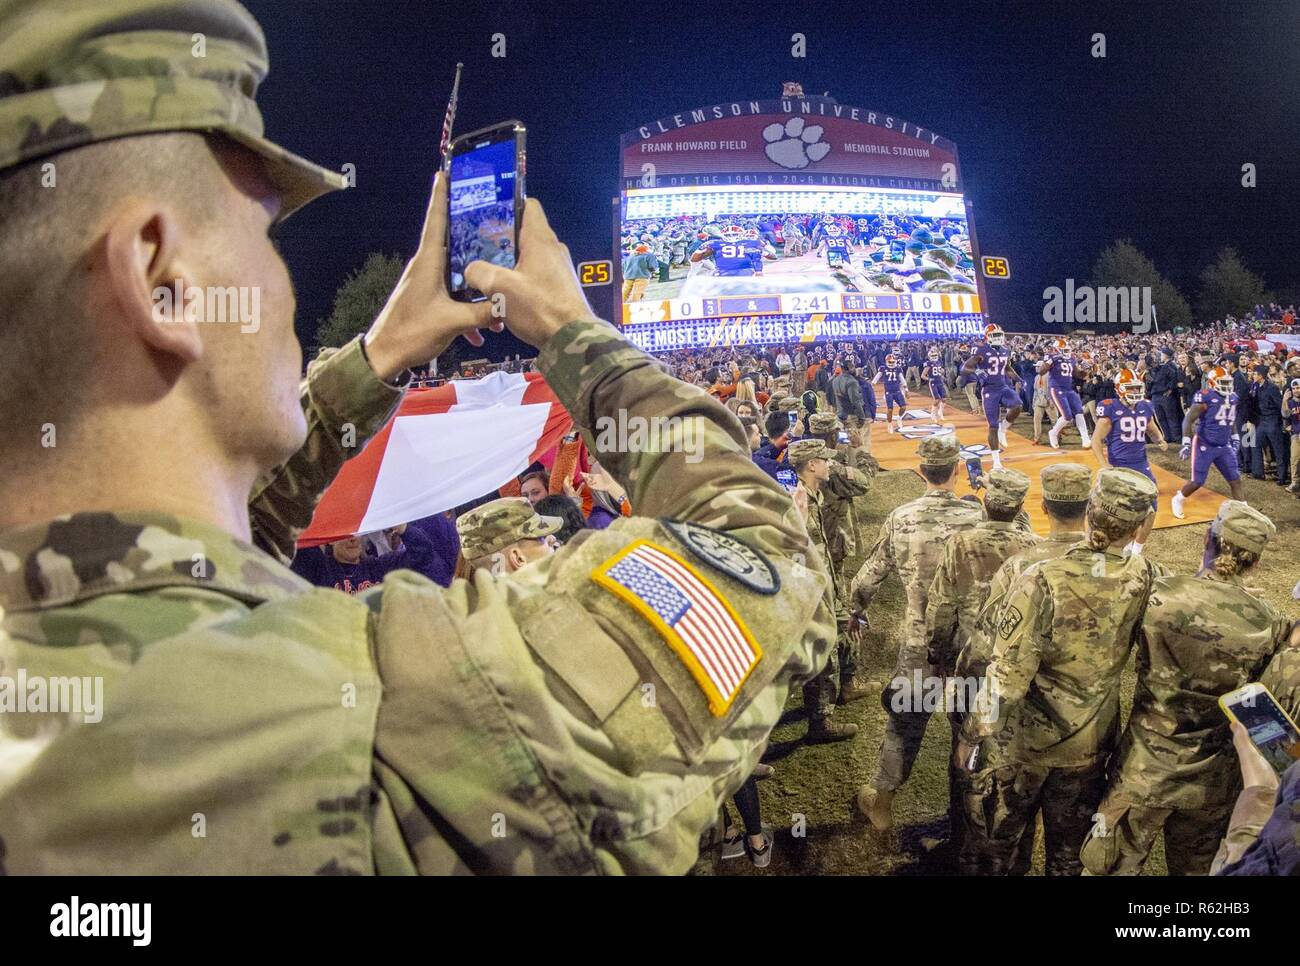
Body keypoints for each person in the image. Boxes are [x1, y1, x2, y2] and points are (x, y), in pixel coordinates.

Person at [0, 0, 835, 874]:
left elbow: (208, 535)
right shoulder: (389, 724)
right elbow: (762, 547)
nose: (280, 282)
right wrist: (571, 333)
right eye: (265, 235)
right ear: (162, 280)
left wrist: (381, 353)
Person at [955, 468, 1163, 876]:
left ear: (1090, 514)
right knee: (1067, 860)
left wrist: (970, 734)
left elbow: (1006, 678)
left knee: (999, 855)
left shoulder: (1041, 577)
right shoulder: (1147, 578)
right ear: (1140, 527)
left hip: (1022, 747)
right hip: (1088, 750)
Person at [1082, 503, 1295, 876]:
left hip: (1141, 770)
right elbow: (1265, 716)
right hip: (1212, 784)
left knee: (1107, 867)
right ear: (1255, 562)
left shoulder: (1158, 594)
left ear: (1208, 540)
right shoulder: (1272, 625)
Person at [951, 463, 1093, 874]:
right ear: (1088, 507)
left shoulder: (1023, 567)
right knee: (1068, 858)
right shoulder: (1133, 573)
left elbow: (985, 653)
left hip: (1023, 736)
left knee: (1003, 848)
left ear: (1044, 506)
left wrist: (969, 725)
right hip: (1086, 742)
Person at [852, 434, 985, 830]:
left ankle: (883, 804)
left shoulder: (902, 518)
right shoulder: (978, 519)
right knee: (971, 729)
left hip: (919, 643)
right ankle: (965, 817)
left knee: (906, 724)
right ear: (956, 470)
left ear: (921, 471)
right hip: (969, 645)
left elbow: (868, 577)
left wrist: (856, 612)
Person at [788, 438, 860, 742]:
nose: (829, 464)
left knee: (847, 632)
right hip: (811, 594)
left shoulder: (813, 496)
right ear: (811, 465)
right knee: (823, 654)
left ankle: (840, 693)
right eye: (824, 459)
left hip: (826, 587)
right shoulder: (797, 501)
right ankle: (820, 722)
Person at [1091, 368, 1166, 555]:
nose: (1135, 392)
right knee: (1110, 508)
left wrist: (1159, 439)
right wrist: (1104, 464)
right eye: (1130, 388)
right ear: (1119, 389)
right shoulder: (1110, 407)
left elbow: (1151, 427)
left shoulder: (1145, 406)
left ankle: (1137, 549)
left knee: (1152, 506)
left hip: (1141, 463)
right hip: (1119, 464)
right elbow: (1096, 440)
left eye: (1137, 387)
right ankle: (1106, 544)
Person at [1172, 365, 1246, 518]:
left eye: (1228, 382)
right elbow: (1188, 420)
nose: (1227, 386)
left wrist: (1236, 437)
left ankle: (1243, 511)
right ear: (1212, 383)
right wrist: (1186, 442)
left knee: (1235, 480)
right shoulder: (1205, 396)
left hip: (1224, 445)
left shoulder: (1233, 398)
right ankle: (1178, 499)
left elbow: (1229, 419)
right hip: (1204, 444)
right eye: (1222, 382)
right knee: (1197, 482)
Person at [292, 523, 438, 593]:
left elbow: (423, 555)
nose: (352, 539)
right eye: (344, 534)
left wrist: (401, 527)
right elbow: (297, 543)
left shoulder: (379, 568)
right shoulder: (319, 570)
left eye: (356, 533)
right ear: (329, 540)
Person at [963, 323, 1022, 471]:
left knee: (1017, 405)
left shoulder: (1005, 350)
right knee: (992, 426)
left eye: (999, 335)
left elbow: (1007, 368)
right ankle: (996, 461)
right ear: (987, 337)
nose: (998, 338)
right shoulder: (981, 350)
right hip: (989, 390)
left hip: (1003, 387)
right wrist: (977, 372)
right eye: (994, 335)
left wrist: (1018, 379)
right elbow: (965, 368)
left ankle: (1005, 428)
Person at [1040, 338, 1090, 450]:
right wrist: (1050, 361)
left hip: (1069, 389)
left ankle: (1085, 438)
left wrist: (1087, 369)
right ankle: (1053, 433)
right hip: (1056, 388)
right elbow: (1041, 371)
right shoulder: (1051, 357)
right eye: (1064, 350)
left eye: (1067, 350)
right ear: (1057, 350)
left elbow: (1078, 375)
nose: (1066, 352)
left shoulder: (1071, 359)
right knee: (1067, 416)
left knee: (1079, 412)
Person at [1249, 365, 1288, 486]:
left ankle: (1282, 477)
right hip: (1261, 421)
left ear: (1260, 376)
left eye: (1255, 374)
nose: (1253, 375)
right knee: (1255, 444)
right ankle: (1258, 472)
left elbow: (1279, 404)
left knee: (1278, 449)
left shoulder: (1272, 388)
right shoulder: (1256, 386)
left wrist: (1281, 422)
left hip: (1272, 421)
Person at [872, 351, 909, 433]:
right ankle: (889, 424)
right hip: (889, 391)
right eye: (890, 362)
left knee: (903, 407)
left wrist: (906, 389)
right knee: (890, 409)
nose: (892, 363)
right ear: (886, 361)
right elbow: (877, 376)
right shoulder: (883, 368)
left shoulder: (898, 368)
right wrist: (873, 384)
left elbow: (902, 378)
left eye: (893, 362)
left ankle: (899, 418)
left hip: (897, 390)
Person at [921, 347, 948, 420]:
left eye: (935, 355)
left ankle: (940, 412)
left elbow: (940, 371)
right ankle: (933, 414)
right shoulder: (928, 364)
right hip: (933, 383)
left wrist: (942, 373)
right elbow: (923, 375)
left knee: (944, 398)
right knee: (936, 400)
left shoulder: (939, 362)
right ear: (929, 356)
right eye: (932, 356)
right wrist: (929, 379)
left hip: (940, 382)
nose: (934, 357)